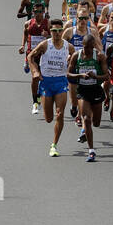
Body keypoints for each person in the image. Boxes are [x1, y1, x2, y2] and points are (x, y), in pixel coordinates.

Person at [29, 20, 74, 157]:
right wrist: (35, 72)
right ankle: (38, 100)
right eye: (54, 31)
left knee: (59, 114)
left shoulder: (69, 47)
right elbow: (30, 56)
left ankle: (54, 145)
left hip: (61, 82)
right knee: (49, 118)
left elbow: (76, 59)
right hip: (46, 83)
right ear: (50, 32)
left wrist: (72, 65)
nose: (57, 33)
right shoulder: (45, 45)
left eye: (60, 30)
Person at [68, 33, 110, 162]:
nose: (88, 50)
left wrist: (95, 77)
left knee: (96, 123)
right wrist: (80, 75)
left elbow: (107, 76)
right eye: (86, 47)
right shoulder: (76, 56)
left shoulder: (100, 57)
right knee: (86, 118)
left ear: (94, 46)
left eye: (91, 48)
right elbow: (68, 74)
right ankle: (91, 151)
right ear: (82, 45)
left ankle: (88, 131)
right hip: (83, 91)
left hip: (96, 90)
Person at [20, 5, 50, 114]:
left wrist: (47, 35)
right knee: (35, 77)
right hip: (32, 55)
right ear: (33, 12)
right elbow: (25, 33)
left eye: (40, 11)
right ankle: (35, 103)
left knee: (43, 78)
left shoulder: (48, 23)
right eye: (36, 11)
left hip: (44, 55)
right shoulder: (28, 23)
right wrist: (22, 45)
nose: (38, 13)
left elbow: (54, 38)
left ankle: (38, 97)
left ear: (43, 12)